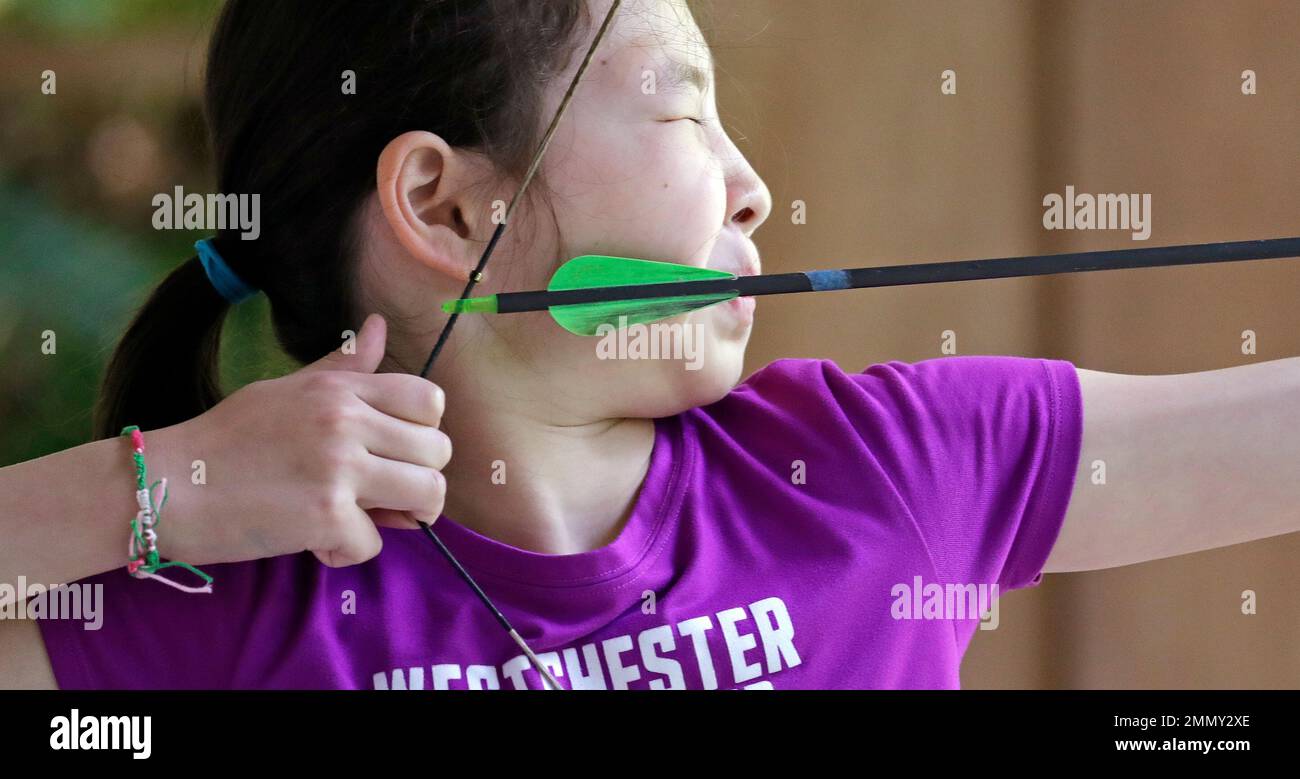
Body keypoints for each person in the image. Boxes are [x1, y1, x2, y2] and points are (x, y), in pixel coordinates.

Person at [2, 0, 1298, 689]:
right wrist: (153, 490)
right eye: (686, 114)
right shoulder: (229, 614)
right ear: (448, 209)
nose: (753, 190)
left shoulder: (888, 469)